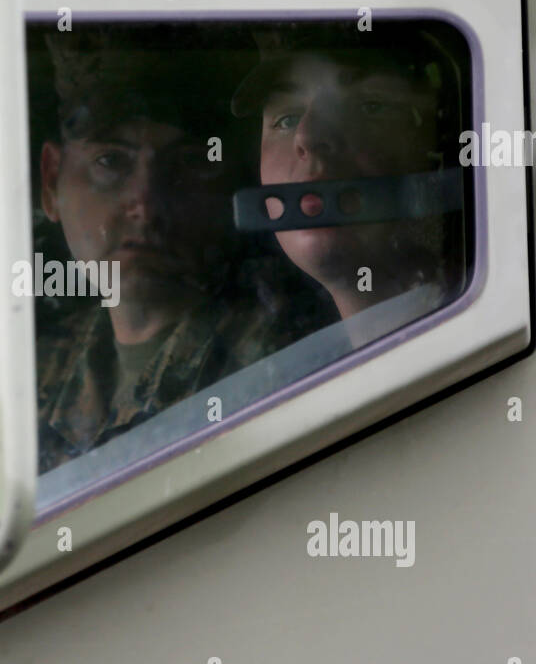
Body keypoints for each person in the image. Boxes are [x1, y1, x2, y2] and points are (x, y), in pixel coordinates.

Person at [34, 26, 335, 473]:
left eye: (189, 163)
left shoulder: (285, 358)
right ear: (51, 182)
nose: (146, 204)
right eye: (110, 161)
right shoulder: (41, 368)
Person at [231, 23, 468, 348]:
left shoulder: (477, 335)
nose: (308, 136)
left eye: (370, 107)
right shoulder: (290, 358)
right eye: (288, 119)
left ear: (442, 146)